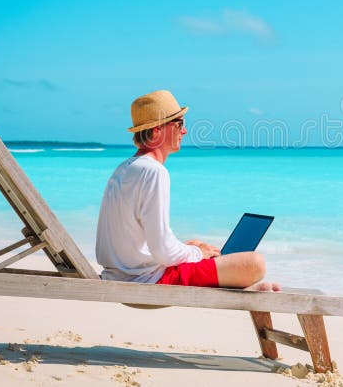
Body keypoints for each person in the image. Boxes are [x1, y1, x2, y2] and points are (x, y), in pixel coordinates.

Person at [95, 90, 280, 292]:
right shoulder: (154, 171)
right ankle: (244, 284)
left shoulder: (124, 168)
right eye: (179, 124)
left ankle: (237, 279)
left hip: (123, 274)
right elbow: (164, 253)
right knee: (255, 263)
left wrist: (193, 249)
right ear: (157, 130)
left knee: (197, 245)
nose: (185, 131)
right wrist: (198, 254)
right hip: (147, 280)